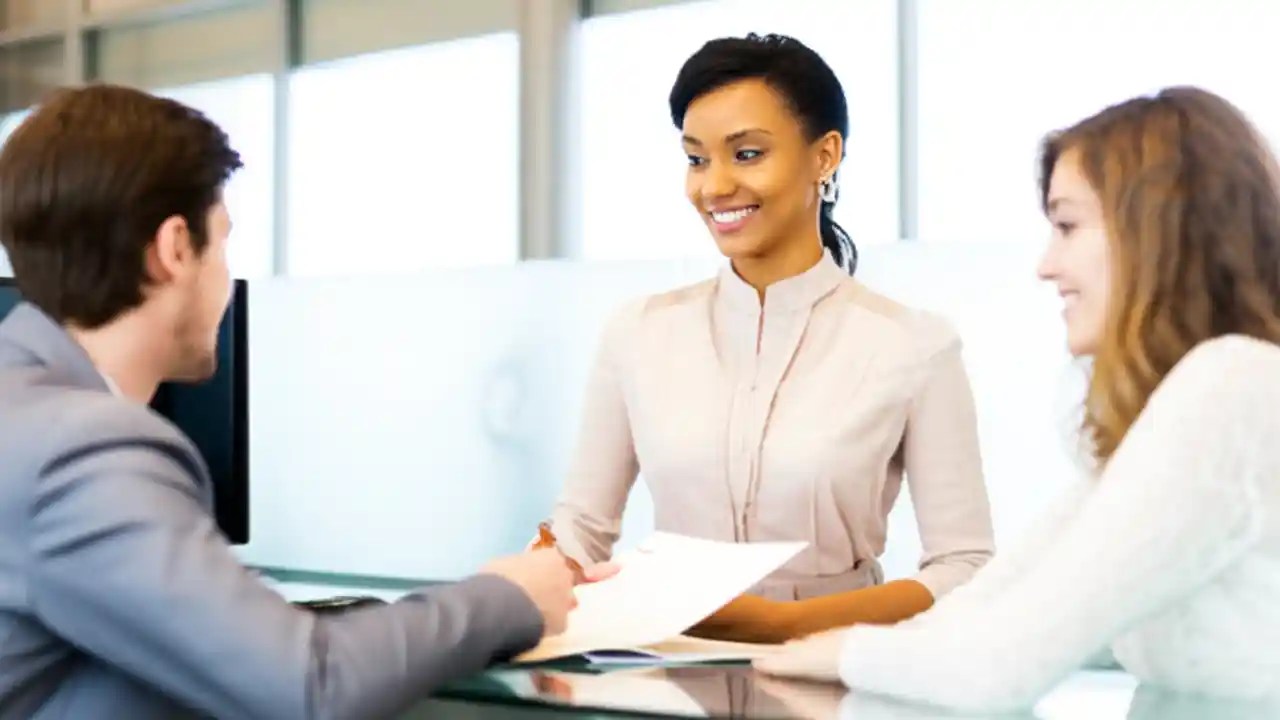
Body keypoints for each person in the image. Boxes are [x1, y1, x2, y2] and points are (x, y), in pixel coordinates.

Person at [0, 84, 588, 719]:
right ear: (174, 249)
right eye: (222, 242)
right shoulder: (85, 451)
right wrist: (509, 596)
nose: (226, 278)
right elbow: (309, 685)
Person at [756, 86, 1280, 711]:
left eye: (1067, 226)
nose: (1046, 265)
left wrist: (832, 652)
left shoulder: (1234, 385)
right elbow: (996, 608)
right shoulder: (1170, 418)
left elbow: (996, 667)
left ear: (1159, 229)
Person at [545, 33, 995, 643]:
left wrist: (785, 623)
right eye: (697, 159)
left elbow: (965, 568)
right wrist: (501, 601)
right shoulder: (639, 333)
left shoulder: (913, 346)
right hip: (663, 675)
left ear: (824, 156)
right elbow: (578, 533)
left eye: (748, 154)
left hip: (836, 676)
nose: (714, 186)